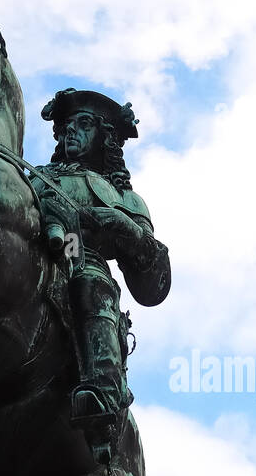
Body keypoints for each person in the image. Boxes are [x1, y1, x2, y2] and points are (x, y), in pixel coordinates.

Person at [31, 89, 171, 436]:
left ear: (105, 137)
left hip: (80, 261)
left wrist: (121, 226)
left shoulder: (125, 197)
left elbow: (152, 287)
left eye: (83, 124)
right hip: (27, 256)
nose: (70, 132)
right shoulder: (32, 176)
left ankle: (103, 392)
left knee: (91, 282)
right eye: (65, 126)